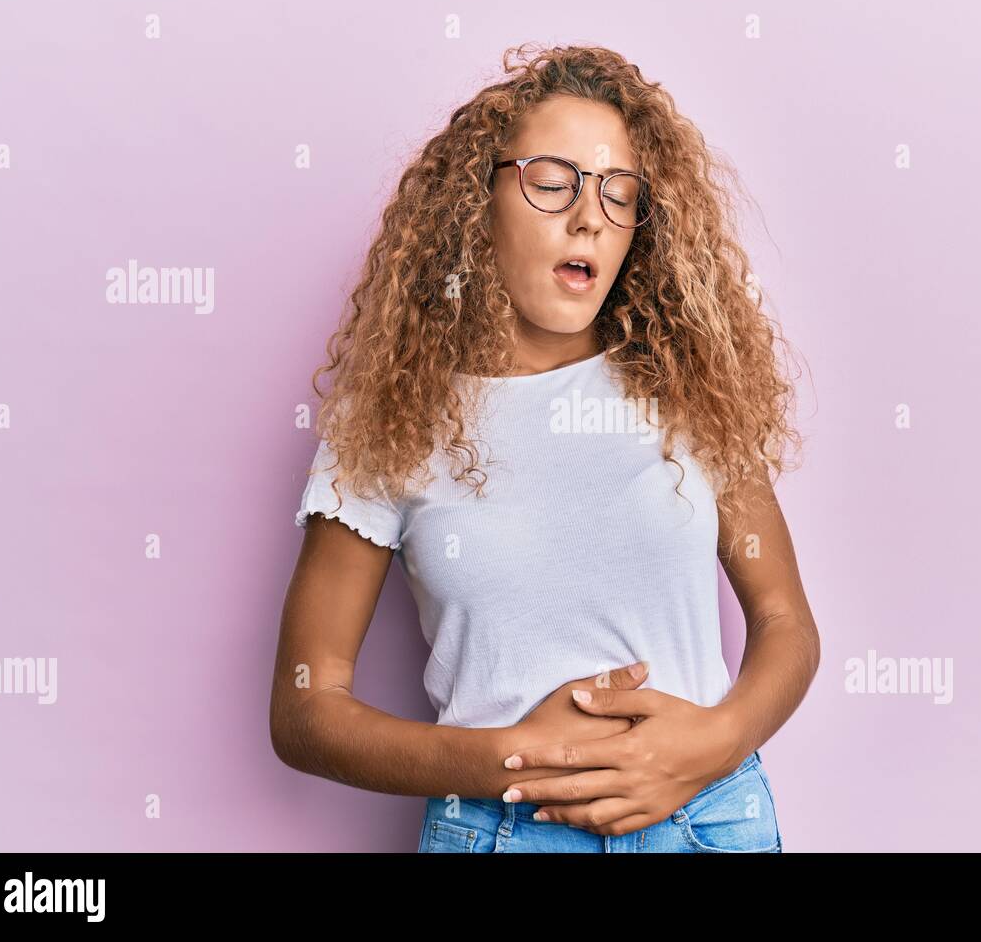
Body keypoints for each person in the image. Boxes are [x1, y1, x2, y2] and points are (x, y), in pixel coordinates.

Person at [270, 43, 819, 853]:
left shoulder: (689, 384)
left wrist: (718, 739)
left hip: (710, 819)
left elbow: (785, 621)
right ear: (476, 202)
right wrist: (507, 759)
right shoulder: (392, 414)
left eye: (620, 193)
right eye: (554, 183)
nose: (590, 215)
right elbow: (306, 709)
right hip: (501, 832)